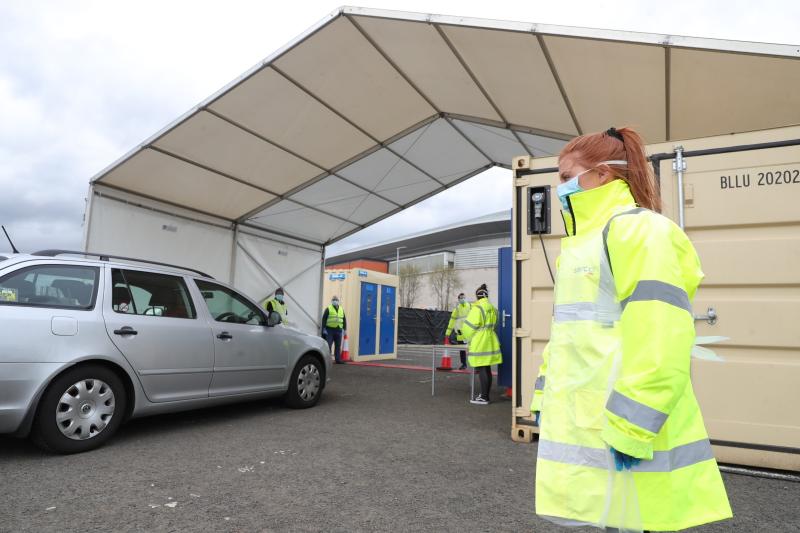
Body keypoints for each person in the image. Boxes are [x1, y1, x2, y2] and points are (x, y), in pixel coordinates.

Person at [530, 127, 732, 531]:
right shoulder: (583, 243)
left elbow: (660, 338)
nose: (560, 187)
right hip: (589, 421)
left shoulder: (638, 231)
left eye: (566, 175)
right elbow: (568, 334)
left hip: (624, 426)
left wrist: (633, 425)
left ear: (602, 174)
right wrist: (543, 397)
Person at [461, 284, 501, 405]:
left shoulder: (477, 309)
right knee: (486, 368)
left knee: (482, 368)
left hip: (480, 340)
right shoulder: (493, 308)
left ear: (478, 296)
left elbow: (468, 328)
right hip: (490, 338)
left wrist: (467, 338)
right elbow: (496, 324)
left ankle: (484, 397)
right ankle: (485, 394)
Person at [444, 292, 471, 369]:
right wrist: (447, 333)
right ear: (458, 299)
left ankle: (476, 366)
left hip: (469, 332)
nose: (462, 299)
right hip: (460, 333)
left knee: (473, 349)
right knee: (462, 350)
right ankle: (464, 364)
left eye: (463, 297)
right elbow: (451, 321)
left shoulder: (470, 306)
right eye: (461, 298)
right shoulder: (457, 309)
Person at [321, 296, 347, 364]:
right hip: (330, 330)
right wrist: (323, 328)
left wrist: (345, 329)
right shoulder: (328, 308)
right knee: (328, 345)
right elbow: (324, 319)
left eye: (336, 300)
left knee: (338, 346)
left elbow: (344, 319)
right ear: (331, 301)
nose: (335, 301)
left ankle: (337, 359)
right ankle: (328, 360)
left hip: (338, 330)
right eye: (333, 300)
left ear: (338, 301)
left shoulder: (341, 309)